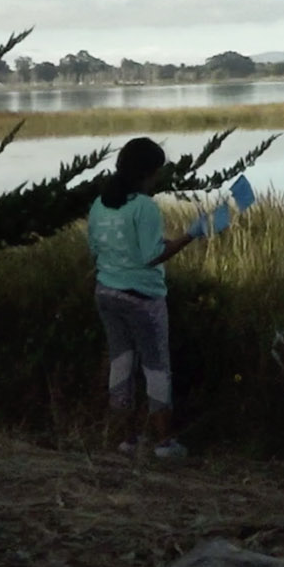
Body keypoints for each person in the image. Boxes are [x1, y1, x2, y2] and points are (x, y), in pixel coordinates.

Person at [89, 137, 198, 459]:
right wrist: (190, 236)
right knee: (156, 367)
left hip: (106, 292)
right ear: (148, 172)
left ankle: (127, 438)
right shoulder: (145, 207)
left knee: (121, 364)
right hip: (142, 298)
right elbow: (152, 256)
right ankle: (164, 442)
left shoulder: (101, 204)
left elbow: (98, 249)